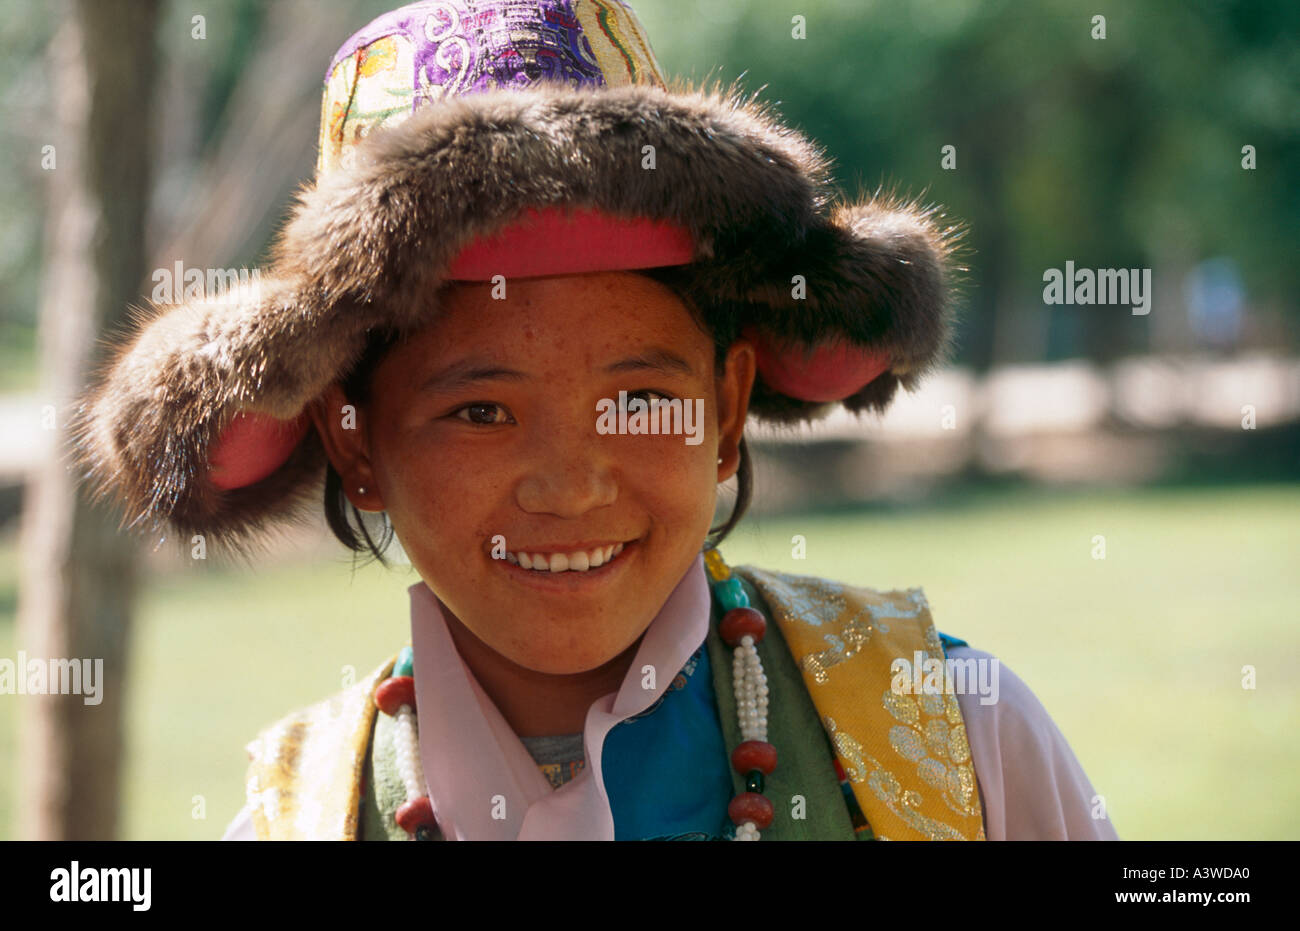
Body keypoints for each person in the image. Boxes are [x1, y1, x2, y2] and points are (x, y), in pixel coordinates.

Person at [73, 0, 1117, 841]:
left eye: (640, 400)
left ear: (725, 406)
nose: (571, 484)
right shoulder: (297, 821)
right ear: (355, 440)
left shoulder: (954, 735)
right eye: (480, 410)